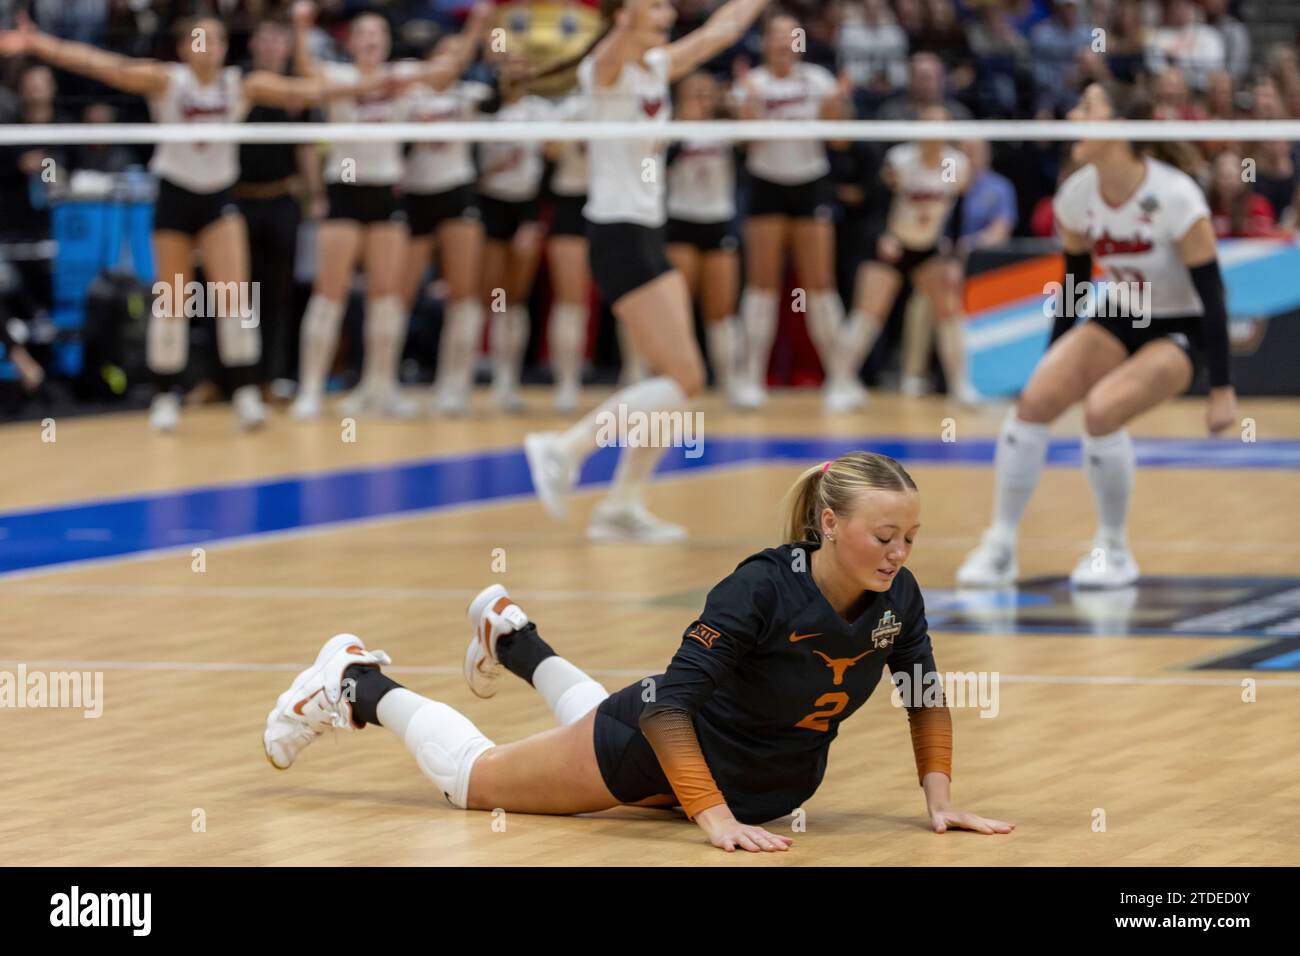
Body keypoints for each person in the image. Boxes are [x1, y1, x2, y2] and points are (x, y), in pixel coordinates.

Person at [264, 451, 1014, 852]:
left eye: (910, 539)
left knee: (587, 722)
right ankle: (355, 681)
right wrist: (713, 815)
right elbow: (669, 703)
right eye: (886, 538)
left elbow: (923, 693)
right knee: (473, 781)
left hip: (753, 782)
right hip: (652, 750)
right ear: (827, 523)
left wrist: (940, 802)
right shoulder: (760, 590)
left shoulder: (898, 598)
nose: (899, 554)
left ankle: (514, 640)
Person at [0, 12, 397, 432]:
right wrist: (40, 44)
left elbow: (309, 88)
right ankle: (165, 397)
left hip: (219, 197)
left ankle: (244, 395)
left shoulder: (240, 84)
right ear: (185, 46)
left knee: (234, 298)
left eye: (216, 39)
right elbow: (102, 64)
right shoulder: (168, 81)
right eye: (198, 38)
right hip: (175, 194)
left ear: (226, 48)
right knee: (174, 300)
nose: (207, 46)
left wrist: (374, 84)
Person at [956, 82, 1238, 590]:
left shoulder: (1176, 197)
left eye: (1088, 107)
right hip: (1120, 314)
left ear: (1121, 127)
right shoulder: (1077, 193)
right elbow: (1074, 284)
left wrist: (1222, 389)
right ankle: (999, 545)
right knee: (1035, 401)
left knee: (1103, 410)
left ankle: (1113, 549)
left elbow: (1213, 295)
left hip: (1180, 326)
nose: (1073, 114)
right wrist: (1053, 357)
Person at [523, 0, 772, 543]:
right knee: (686, 379)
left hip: (645, 233)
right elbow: (613, 44)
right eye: (653, 5)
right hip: (619, 236)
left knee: (673, 383)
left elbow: (720, 30)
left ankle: (622, 503)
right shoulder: (603, 70)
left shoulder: (656, 68)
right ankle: (564, 448)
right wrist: (629, 15)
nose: (664, 13)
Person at [288, 1, 489, 421]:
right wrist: (300, 25)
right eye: (362, 36)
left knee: (386, 298)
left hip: (387, 192)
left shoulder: (403, 76)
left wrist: (476, 26)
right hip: (345, 188)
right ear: (352, 43)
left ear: (385, 42)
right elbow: (307, 75)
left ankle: (381, 387)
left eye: (377, 36)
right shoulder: (339, 75)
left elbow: (445, 71)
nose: (370, 42)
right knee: (330, 293)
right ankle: (309, 390)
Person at [732, 12, 857, 411]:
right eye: (777, 37)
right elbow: (747, 144)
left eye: (792, 37)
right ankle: (750, 379)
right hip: (766, 184)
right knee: (761, 286)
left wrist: (836, 104)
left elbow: (838, 143)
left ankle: (840, 378)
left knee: (819, 285)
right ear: (765, 42)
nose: (785, 44)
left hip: (810, 184)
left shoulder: (818, 80)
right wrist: (750, 103)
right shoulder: (751, 83)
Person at [848, 106, 975, 404]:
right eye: (928, 124)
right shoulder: (899, 160)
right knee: (869, 312)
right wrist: (883, 235)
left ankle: (961, 387)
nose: (934, 132)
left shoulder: (957, 164)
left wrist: (952, 250)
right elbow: (878, 202)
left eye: (941, 125)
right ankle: (841, 381)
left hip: (928, 247)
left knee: (949, 312)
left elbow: (958, 209)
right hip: (893, 243)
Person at [399, 34, 492, 416]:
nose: (451, 62)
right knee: (397, 293)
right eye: (444, 54)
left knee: (464, 293)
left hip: (458, 192)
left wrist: (484, 25)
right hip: (416, 194)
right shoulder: (409, 93)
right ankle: (383, 381)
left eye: (458, 56)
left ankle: (455, 385)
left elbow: (506, 93)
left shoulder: (472, 94)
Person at [476, 49, 555, 413]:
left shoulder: (541, 111)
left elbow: (551, 165)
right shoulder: (483, 107)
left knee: (514, 297)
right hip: (489, 204)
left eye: (523, 64)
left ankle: (507, 381)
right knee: (490, 295)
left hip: (524, 207)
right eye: (509, 64)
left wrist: (534, 218)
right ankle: (472, 376)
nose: (516, 70)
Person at [665, 70, 741, 403]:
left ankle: (730, 381)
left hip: (718, 221)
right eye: (693, 93)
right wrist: (683, 130)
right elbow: (655, 168)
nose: (700, 99)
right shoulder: (669, 129)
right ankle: (673, 383)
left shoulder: (726, 130)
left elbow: (753, 148)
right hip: (680, 220)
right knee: (677, 311)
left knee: (721, 310)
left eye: (706, 93)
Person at [543, 92, 594, 413]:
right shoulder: (567, 106)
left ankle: (636, 378)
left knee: (629, 298)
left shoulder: (630, 103)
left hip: (617, 200)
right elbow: (550, 150)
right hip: (571, 202)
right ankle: (566, 383)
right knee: (570, 299)